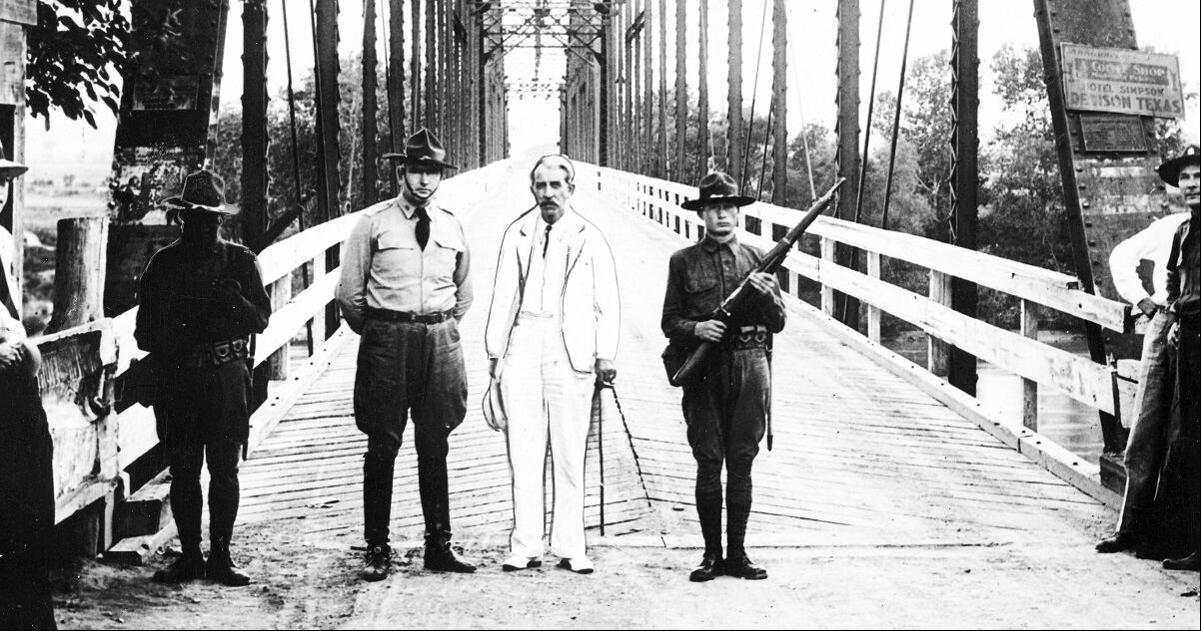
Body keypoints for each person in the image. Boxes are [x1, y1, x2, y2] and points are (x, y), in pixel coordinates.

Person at [336, 128, 476, 581]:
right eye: (416, 170)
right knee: (383, 444)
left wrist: (435, 326)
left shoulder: (453, 224)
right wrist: (383, 331)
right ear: (403, 171)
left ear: (441, 176)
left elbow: (464, 292)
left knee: (435, 443)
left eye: (432, 172)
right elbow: (350, 295)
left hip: (438, 340)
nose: (424, 181)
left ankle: (439, 545)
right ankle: (377, 547)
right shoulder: (373, 223)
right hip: (387, 342)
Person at [484, 154, 620, 575]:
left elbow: (606, 301)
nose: (548, 194)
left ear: (570, 190)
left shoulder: (589, 236)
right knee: (523, 448)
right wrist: (495, 356)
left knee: (568, 447)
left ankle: (570, 545)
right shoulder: (517, 233)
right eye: (540, 186)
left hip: (571, 347)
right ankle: (525, 544)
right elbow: (503, 295)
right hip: (524, 340)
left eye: (556, 186)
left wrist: (606, 353)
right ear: (532, 190)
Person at [135, 168, 271, 587]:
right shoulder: (164, 264)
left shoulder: (241, 262)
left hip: (227, 379)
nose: (204, 223)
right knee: (185, 468)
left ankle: (222, 557)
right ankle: (191, 556)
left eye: (212, 216)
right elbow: (143, 333)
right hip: (180, 380)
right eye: (195, 216)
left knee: (225, 469)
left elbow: (262, 321)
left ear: (221, 219)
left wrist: (233, 303)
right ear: (182, 219)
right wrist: (178, 328)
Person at [660, 172, 784, 582]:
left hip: (750, 365)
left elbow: (779, 324)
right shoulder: (683, 262)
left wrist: (767, 297)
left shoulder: (759, 260)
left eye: (728, 207)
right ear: (703, 215)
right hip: (705, 369)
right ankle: (711, 555)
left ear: (738, 212)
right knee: (709, 460)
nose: (722, 215)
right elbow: (669, 322)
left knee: (743, 461)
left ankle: (739, 554)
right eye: (714, 208)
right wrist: (697, 330)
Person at [1095, 204, 1190, 555]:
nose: (1194, 184)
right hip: (1165, 320)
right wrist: (1142, 301)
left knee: (1185, 430)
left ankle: (1175, 535)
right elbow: (1122, 255)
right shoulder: (1172, 225)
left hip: (1195, 325)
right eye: (1187, 178)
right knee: (1147, 422)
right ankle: (1130, 527)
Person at [0, 151, 57, 629]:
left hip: (16, 391)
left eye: (3, 182)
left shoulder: (1, 241)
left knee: (32, 505)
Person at [1159, 144, 1200, 571]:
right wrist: (1173, 317)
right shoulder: (1183, 231)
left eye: (1198, 176)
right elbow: (1174, 277)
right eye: (1185, 177)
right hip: (1189, 336)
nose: (1191, 184)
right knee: (1189, 437)